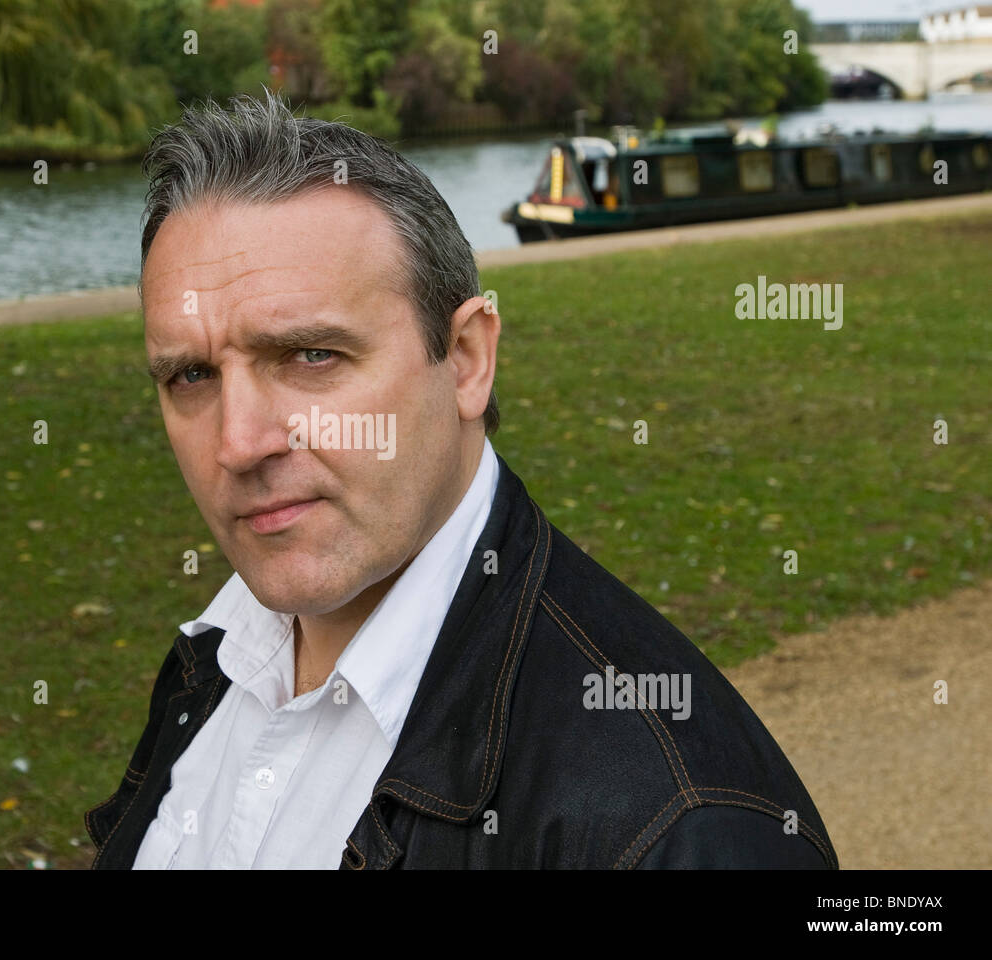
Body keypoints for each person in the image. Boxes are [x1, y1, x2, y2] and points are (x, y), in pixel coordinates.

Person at [84, 87, 836, 870]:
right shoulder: (215, 655)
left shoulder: (679, 823)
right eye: (192, 375)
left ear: (468, 360)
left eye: (312, 356)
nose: (238, 443)